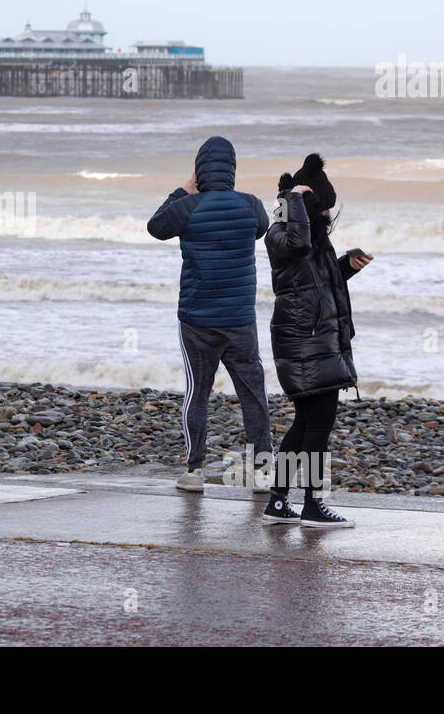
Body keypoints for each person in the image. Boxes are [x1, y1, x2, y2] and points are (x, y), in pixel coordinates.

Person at [148, 135, 274, 494]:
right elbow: (261, 229)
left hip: (196, 319)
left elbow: (156, 227)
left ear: (199, 171)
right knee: (253, 393)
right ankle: (264, 473)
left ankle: (194, 472)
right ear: (233, 170)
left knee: (197, 394)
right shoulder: (251, 205)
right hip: (239, 319)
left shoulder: (189, 207)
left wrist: (182, 191)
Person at [262, 153, 373, 528]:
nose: (329, 214)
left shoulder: (312, 236)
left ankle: (278, 502)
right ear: (307, 205)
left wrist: (346, 265)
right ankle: (313, 506)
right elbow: (296, 246)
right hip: (304, 342)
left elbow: (316, 281)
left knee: (305, 423)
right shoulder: (281, 233)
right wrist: (291, 198)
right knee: (319, 425)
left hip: (313, 340)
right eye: (324, 207)